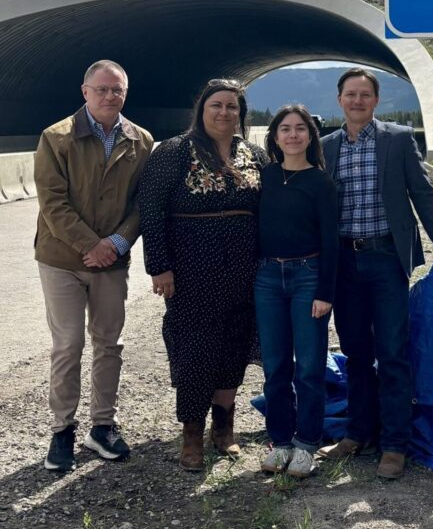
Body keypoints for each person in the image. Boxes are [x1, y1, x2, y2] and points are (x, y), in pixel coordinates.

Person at [319, 67, 433, 479]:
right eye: (350, 94)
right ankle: (357, 433)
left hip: (385, 259)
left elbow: (422, 194)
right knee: (356, 351)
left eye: (365, 95)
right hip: (344, 263)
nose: (357, 101)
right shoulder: (326, 147)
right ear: (340, 99)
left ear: (376, 101)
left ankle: (395, 444)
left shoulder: (397, 140)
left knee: (393, 353)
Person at [139, 78, 268, 471]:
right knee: (195, 350)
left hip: (244, 270)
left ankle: (223, 429)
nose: (225, 112)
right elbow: (151, 209)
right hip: (192, 270)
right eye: (217, 105)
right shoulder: (174, 152)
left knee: (235, 344)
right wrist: (159, 266)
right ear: (202, 109)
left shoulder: (256, 155)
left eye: (233, 107)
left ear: (241, 115)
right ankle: (192, 435)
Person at [34, 60, 154, 472]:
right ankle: (61, 429)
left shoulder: (141, 141)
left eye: (116, 90)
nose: (109, 97)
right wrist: (92, 245)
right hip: (62, 260)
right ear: (85, 91)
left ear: (126, 92)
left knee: (109, 343)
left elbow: (143, 203)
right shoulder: (56, 137)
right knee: (68, 344)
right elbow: (53, 202)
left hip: (111, 262)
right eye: (101, 89)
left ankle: (102, 425)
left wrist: (116, 243)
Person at [255, 104, 339, 477]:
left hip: (308, 276)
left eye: (299, 129)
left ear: (310, 136)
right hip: (268, 278)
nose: (292, 135)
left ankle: (307, 443)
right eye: (285, 128)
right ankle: (281, 440)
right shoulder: (265, 177)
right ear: (274, 136)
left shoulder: (321, 182)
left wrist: (326, 291)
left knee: (307, 366)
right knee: (274, 366)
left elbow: (331, 241)